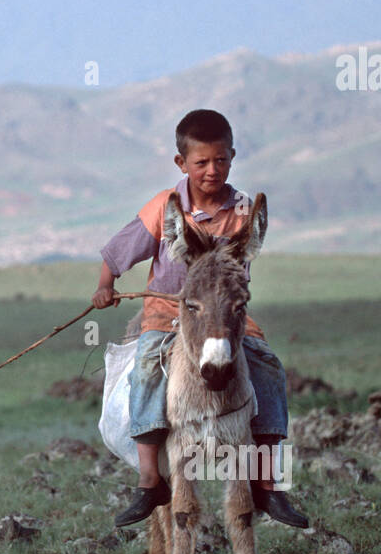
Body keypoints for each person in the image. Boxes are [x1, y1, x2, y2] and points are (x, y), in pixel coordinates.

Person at [93, 109, 308, 530]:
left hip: (225, 312)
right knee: (147, 369)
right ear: (181, 164)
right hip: (166, 310)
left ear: (232, 156)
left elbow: (242, 261)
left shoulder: (242, 209)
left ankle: (267, 483)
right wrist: (105, 285)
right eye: (201, 162)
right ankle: (150, 478)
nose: (212, 170)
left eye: (221, 160)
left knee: (267, 365)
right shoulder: (164, 206)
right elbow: (117, 252)